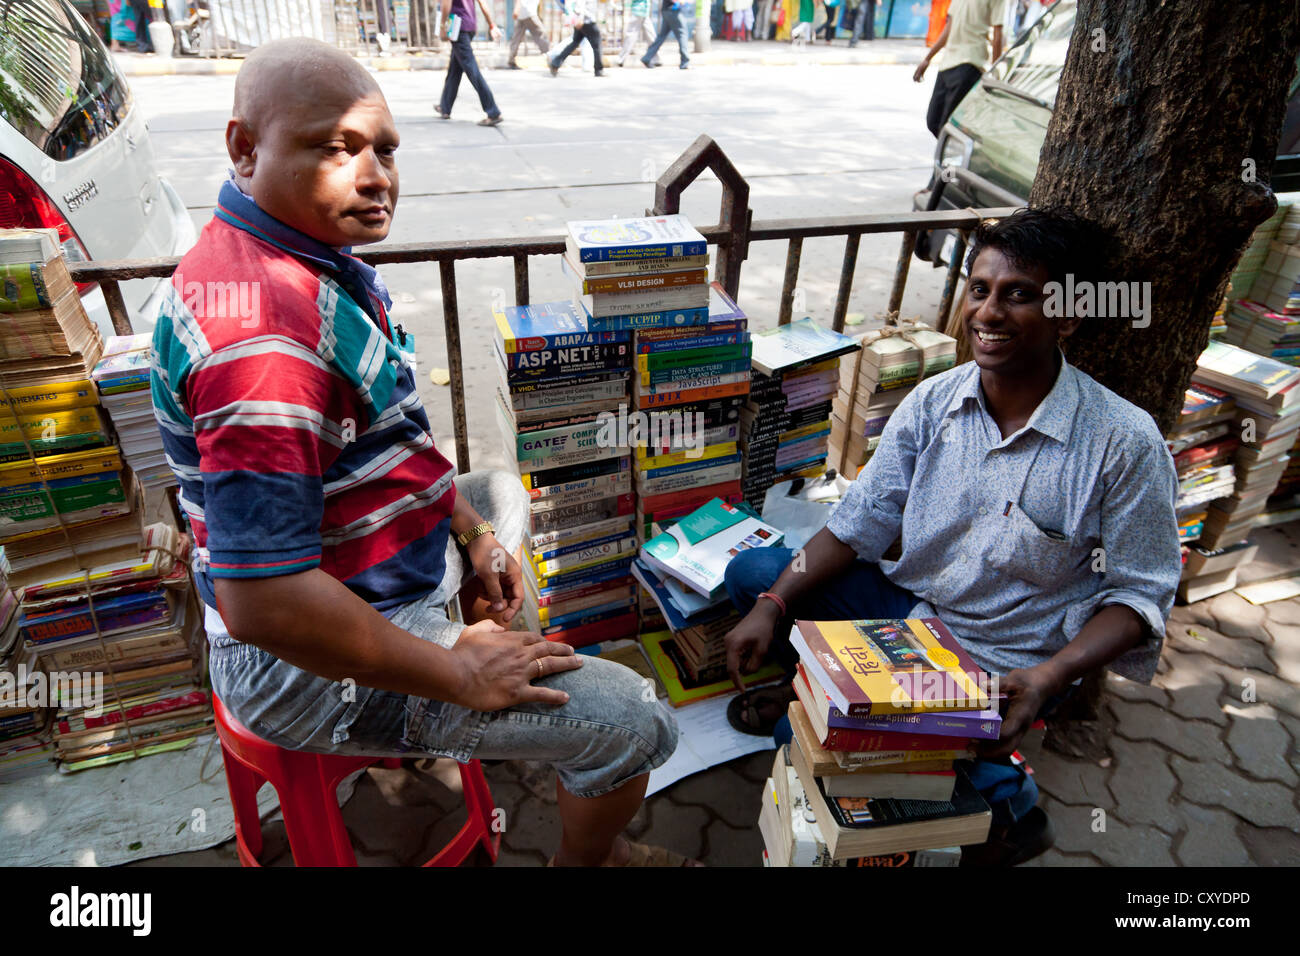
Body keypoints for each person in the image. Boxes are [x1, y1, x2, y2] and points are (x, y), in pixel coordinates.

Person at [151, 38, 689, 868]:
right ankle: (583, 842)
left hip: (364, 567)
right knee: (633, 720)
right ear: (244, 148)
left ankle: (492, 649)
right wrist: (455, 676)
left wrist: (473, 538)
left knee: (498, 494)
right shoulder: (259, 339)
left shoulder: (305, 262)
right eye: (334, 147)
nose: (374, 176)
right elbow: (264, 604)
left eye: (384, 150)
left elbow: (397, 445)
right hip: (293, 663)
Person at [722, 208, 1181, 866]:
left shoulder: (1122, 443)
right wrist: (771, 606)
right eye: (979, 289)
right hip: (911, 621)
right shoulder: (934, 402)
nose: (987, 313)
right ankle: (839, 707)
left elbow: (1141, 596)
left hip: (999, 667)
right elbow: (858, 524)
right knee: (758, 578)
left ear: (1069, 316)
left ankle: (1003, 799)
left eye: (1018, 294)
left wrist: (1050, 676)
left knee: (810, 763)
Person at [914, 0, 1002, 137]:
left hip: (971, 63)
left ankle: (950, 156)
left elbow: (998, 35)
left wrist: (996, 72)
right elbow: (949, 27)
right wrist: (927, 58)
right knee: (933, 122)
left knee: (948, 127)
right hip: (948, 63)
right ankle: (952, 155)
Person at [435, 0, 504, 126]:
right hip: (469, 26)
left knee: (472, 70)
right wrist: (491, 25)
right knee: (455, 68)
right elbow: (483, 3)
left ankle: (493, 112)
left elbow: (446, 3)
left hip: (457, 26)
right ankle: (445, 107)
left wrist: (442, 27)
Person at [549, 0, 605, 76]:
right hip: (586, 20)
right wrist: (580, 18)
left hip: (582, 20)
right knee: (597, 45)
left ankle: (555, 63)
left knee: (574, 42)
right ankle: (599, 70)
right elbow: (581, 4)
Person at [641, 0, 689, 69]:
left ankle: (647, 57)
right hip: (672, 11)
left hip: (667, 10)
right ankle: (685, 62)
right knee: (683, 34)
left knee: (661, 36)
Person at [507, 0, 551, 69]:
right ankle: (551, 57)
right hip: (529, 13)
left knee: (517, 37)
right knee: (541, 34)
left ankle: (511, 60)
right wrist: (516, 10)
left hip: (522, 15)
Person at [618, 0, 660, 66]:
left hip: (644, 12)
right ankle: (621, 59)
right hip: (637, 11)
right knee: (631, 37)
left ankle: (655, 58)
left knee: (651, 36)